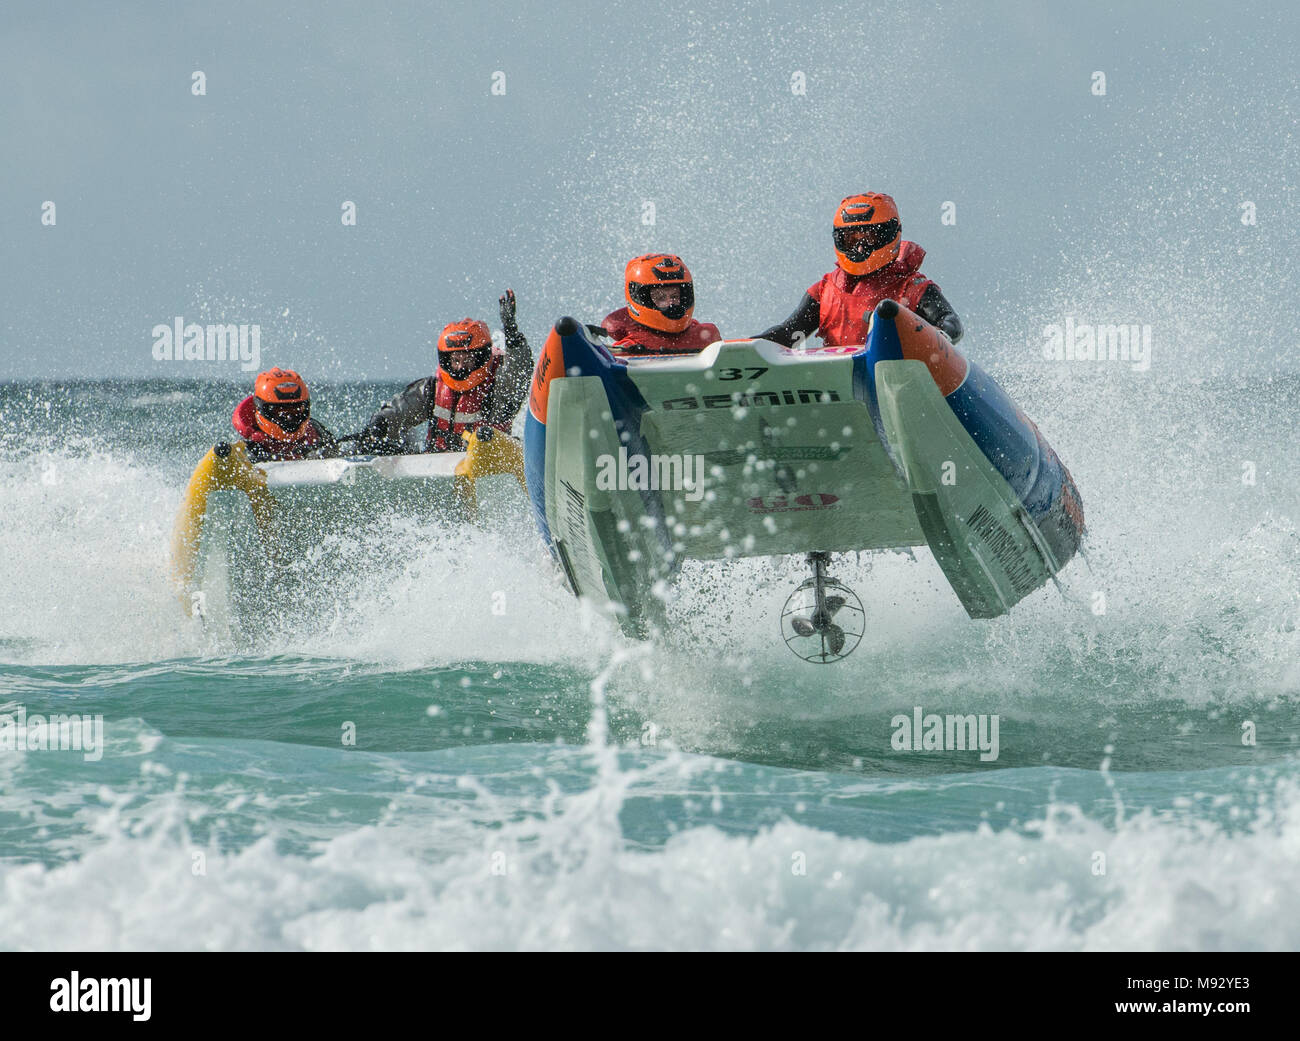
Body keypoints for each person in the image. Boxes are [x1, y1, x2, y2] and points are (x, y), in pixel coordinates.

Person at [758, 192, 963, 348]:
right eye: (851, 239)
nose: (860, 248)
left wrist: (939, 337)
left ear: (891, 233)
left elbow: (951, 323)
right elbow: (788, 333)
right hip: (841, 385)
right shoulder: (824, 290)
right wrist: (742, 349)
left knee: (887, 313)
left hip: (905, 377)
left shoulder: (913, 287)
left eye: (869, 238)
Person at [359, 290, 532, 453]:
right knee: (379, 438)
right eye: (455, 360)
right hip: (437, 464)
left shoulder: (498, 388)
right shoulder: (432, 389)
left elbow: (518, 373)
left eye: (468, 360)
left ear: (482, 357)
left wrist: (511, 331)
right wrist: (381, 421)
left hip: (487, 461)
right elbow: (401, 410)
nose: (460, 367)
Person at [599, 253, 721, 355]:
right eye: (661, 297)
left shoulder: (707, 337)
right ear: (641, 298)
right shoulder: (625, 350)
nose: (671, 302)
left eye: (674, 296)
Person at [231, 367, 337, 461]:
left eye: (296, 410)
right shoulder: (249, 449)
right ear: (261, 410)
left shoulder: (317, 432)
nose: (289, 418)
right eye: (280, 412)